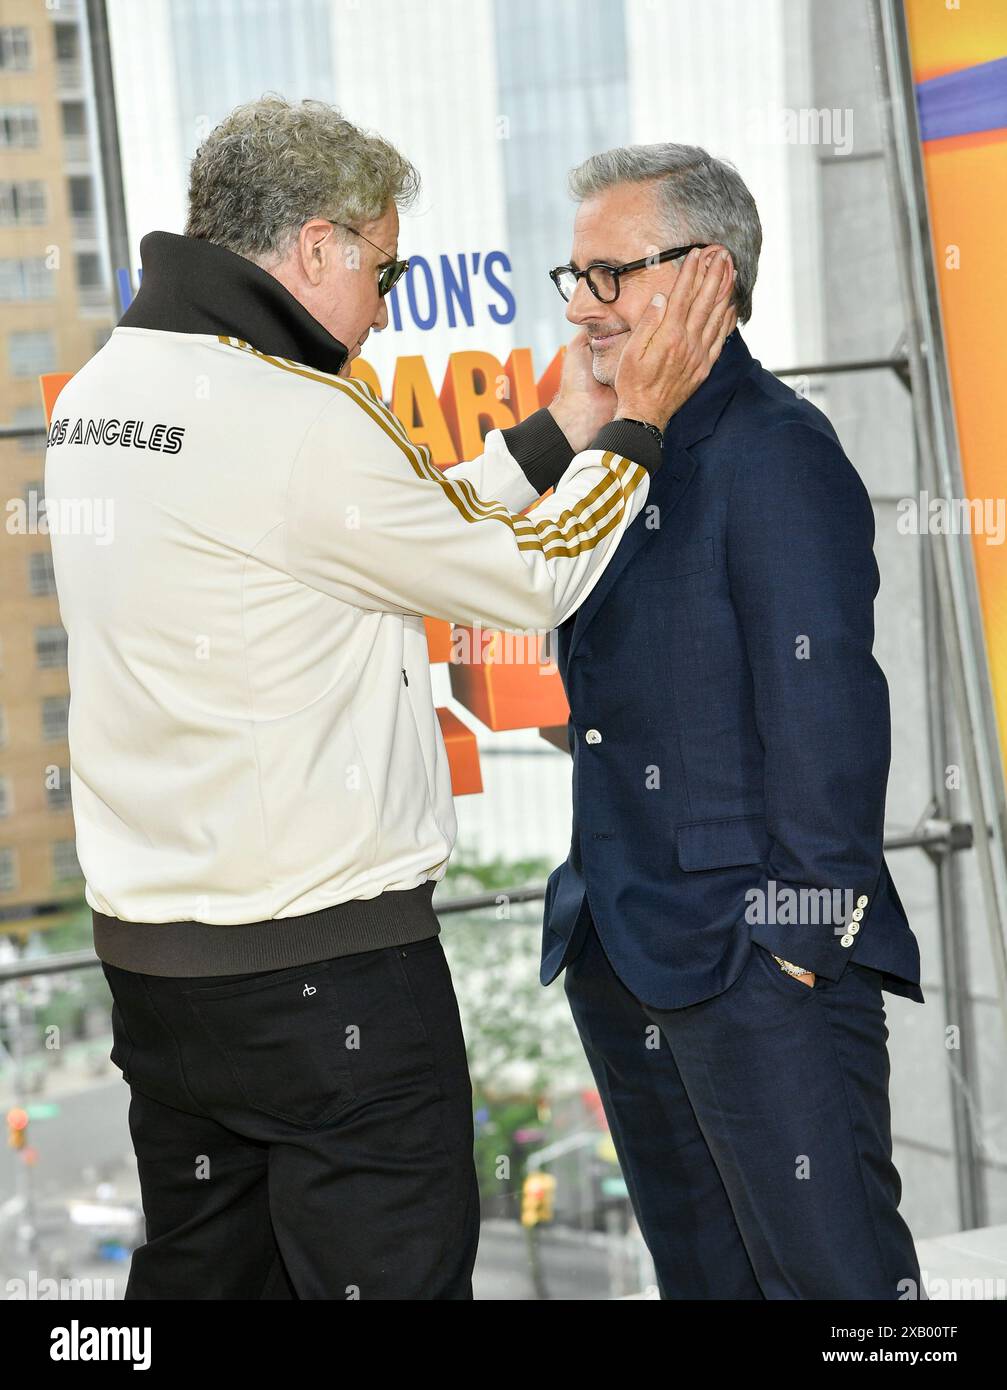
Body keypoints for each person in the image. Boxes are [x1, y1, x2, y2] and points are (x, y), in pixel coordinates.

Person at [43, 98, 735, 1299]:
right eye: (383, 266)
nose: (382, 304)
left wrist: (559, 425)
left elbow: (385, 531)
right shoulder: (295, 418)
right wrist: (638, 419)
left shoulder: (108, 390)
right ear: (316, 247)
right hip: (328, 989)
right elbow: (524, 579)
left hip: (161, 986)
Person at [541, 142, 926, 1300]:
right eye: (575, 278)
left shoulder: (773, 449)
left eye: (611, 274)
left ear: (707, 275)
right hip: (623, 949)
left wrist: (795, 952)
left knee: (837, 1287)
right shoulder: (611, 447)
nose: (585, 306)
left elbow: (830, 724)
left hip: (756, 966)